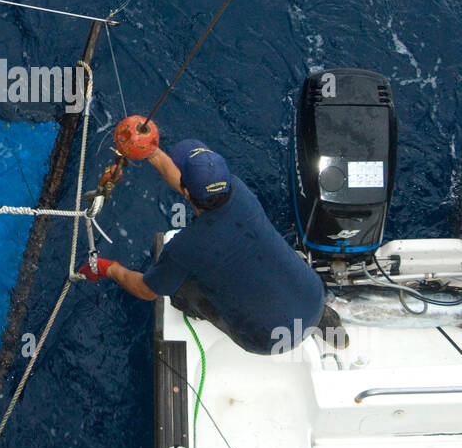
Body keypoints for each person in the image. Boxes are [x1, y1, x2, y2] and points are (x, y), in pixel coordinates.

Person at [78, 139, 337, 355]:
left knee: (179, 291)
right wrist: (152, 152)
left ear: (187, 193)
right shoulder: (238, 189)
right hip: (314, 296)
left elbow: (146, 290)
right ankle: (331, 329)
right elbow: (189, 184)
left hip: (268, 340)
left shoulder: (184, 248)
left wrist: (109, 268)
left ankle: (196, 311)